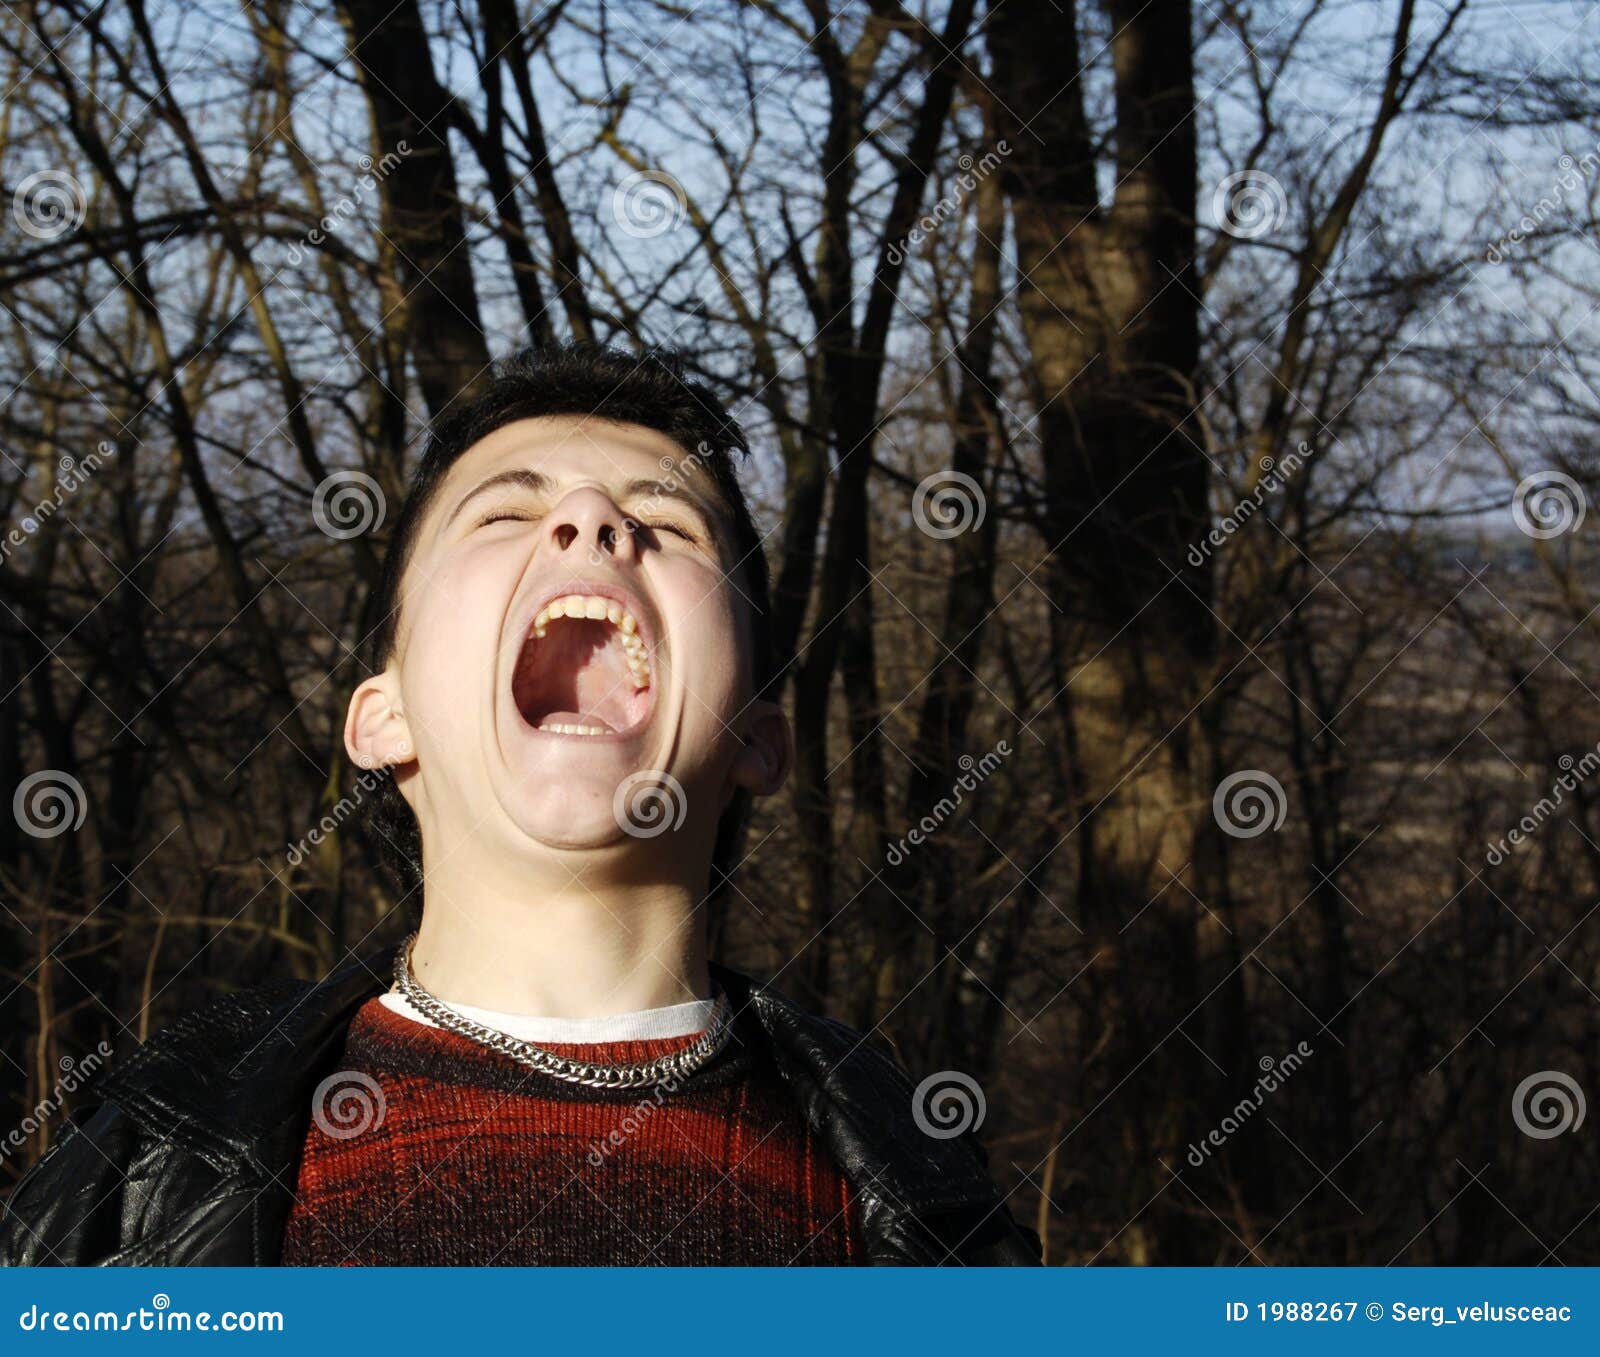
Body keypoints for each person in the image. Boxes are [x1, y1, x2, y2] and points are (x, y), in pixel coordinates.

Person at [0, 343, 1040, 1267]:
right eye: (505, 511)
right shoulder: (132, 1187)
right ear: (383, 718)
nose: (591, 522)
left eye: (667, 521)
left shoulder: (928, 1206)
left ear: (759, 738)